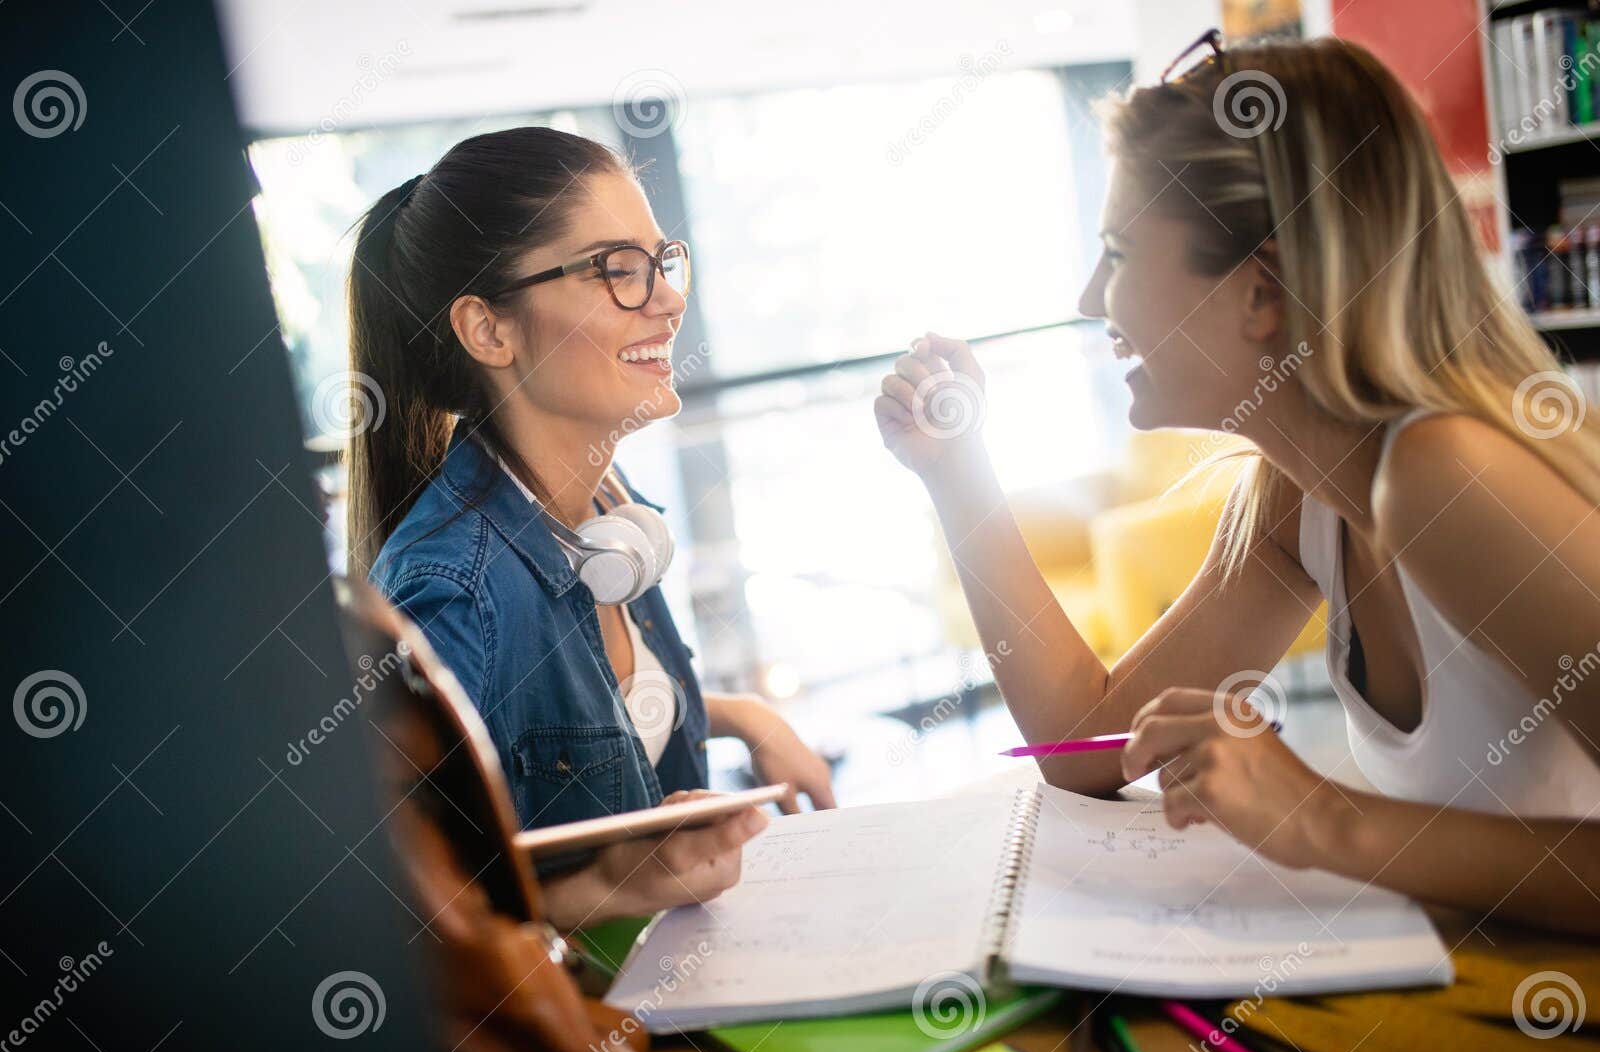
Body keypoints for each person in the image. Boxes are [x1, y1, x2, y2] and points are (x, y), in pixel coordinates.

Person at [875, 34, 1600, 935]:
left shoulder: (1445, 474)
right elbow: (1081, 741)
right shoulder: (1302, 495)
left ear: (1261, 292)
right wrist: (959, 471)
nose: (1090, 296)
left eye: (1118, 251)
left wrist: (1326, 817)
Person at [347, 127, 835, 930]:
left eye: (660, 260)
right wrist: (619, 881)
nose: (670, 300)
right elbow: (422, 930)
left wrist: (746, 715)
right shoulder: (450, 595)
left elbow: (570, 712)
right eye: (617, 270)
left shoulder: (608, 510)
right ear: (488, 330)